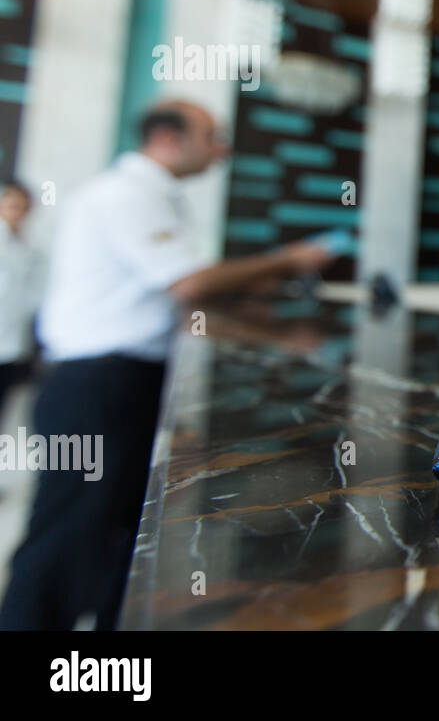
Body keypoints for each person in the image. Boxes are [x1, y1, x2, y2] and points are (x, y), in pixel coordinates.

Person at [0, 99, 336, 630]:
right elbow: (189, 284)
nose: (222, 149)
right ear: (167, 138)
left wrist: (267, 322)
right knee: (66, 532)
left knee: (117, 532)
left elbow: (181, 304)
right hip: (93, 386)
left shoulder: (155, 197)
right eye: (212, 136)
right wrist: (291, 260)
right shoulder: (127, 196)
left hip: (122, 382)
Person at [0, 180, 39, 410]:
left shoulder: (31, 248)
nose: (18, 213)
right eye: (12, 206)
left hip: (12, 345)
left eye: (23, 207)